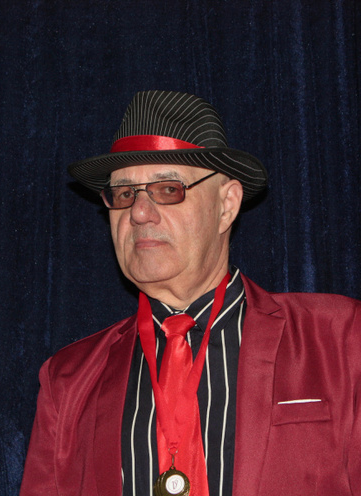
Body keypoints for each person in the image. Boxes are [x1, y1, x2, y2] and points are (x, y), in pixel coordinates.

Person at [20, 91, 361, 496]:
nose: (138, 213)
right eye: (124, 194)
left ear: (226, 205)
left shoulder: (341, 340)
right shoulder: (68, 380)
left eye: (168, 189)